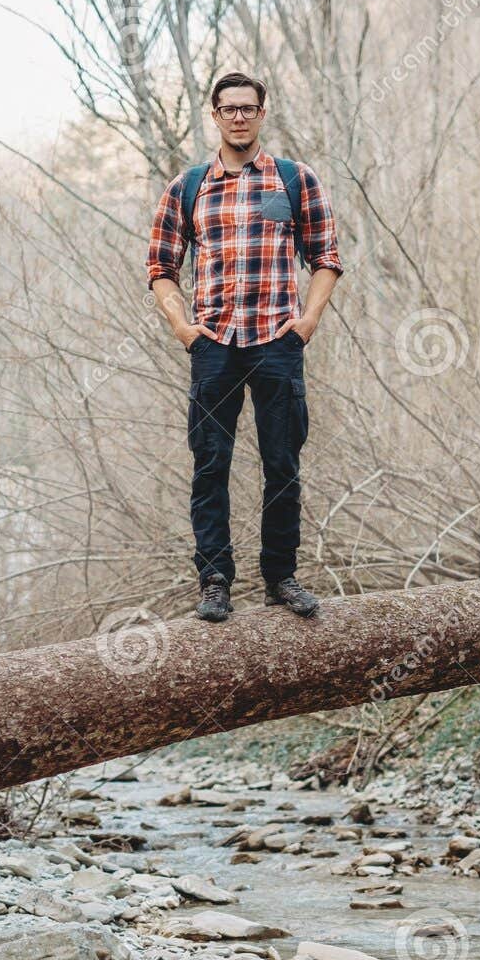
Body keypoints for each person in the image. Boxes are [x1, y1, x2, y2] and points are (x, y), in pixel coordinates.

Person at [146, 71, 343, 622]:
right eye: (228, 108)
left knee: (282, 462)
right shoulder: (188, 188)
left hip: (278, 342)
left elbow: (326, 258)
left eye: (248, 108)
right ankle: (214, 580)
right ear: (214, 114)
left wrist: (306, 321)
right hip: (215, 344)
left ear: (262, 112)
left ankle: (281, 576)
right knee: (210, 464)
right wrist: (183, 329)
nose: (238, 116)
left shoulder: (294, 180)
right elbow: (161, 268)